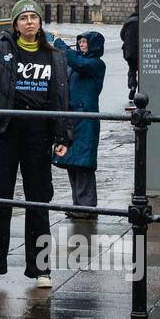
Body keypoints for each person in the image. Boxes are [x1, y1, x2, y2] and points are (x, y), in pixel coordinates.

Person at [0, 0, 72, 289]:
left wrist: (63, 135)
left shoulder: (54, 56)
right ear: (14, 24)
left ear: (40, 23)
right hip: (3, 132)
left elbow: (61, 99)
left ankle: (41, 269)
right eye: (23, 18)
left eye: (33, 17)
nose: (29, 22)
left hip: (38, 134)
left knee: (38, 200)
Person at [50, 30, 105, 220]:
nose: (82, 45)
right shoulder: (80, 62)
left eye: (85, 42)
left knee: (83, 164)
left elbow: (77, 63)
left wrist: (59, 43)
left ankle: (87, 207)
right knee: (72, 162)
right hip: (72, 118)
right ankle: (78, 205)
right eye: (80, 41)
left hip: (85, 120)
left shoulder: (96, 64)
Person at [120, 8, 139, 103]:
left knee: (132, 70)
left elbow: (122, 35)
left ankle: (132, 86)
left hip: (130, 52)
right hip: (141, 51)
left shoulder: (128, 22)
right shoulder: (143, 21)